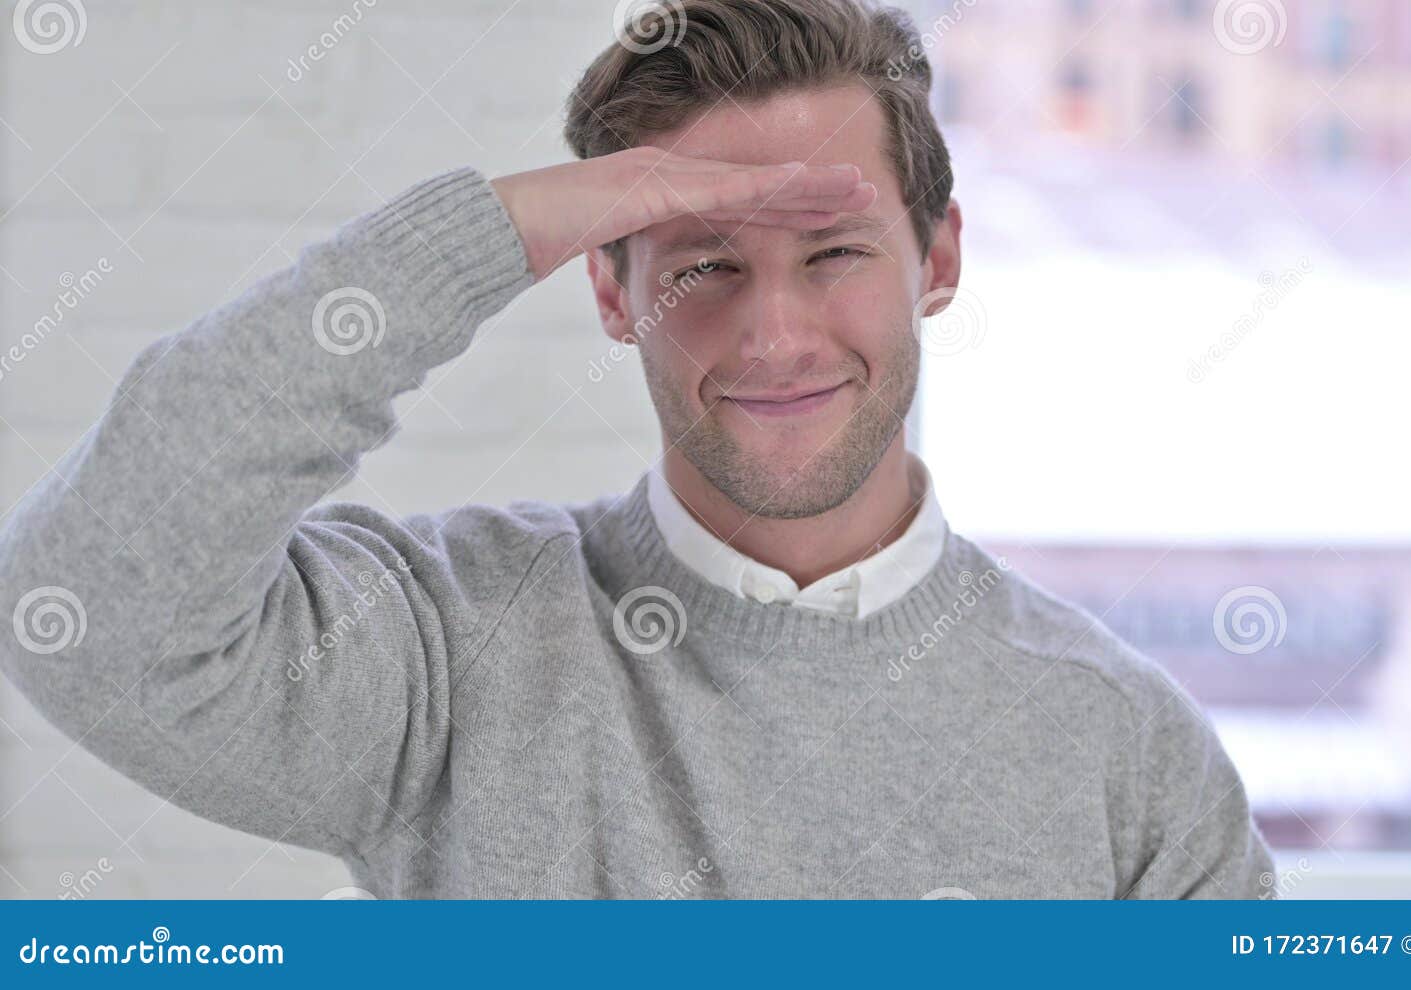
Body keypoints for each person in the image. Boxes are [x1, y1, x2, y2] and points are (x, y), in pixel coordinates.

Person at [0, 0, 1274, 898]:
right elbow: (89, 609)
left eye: (832, 254)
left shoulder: (1123, 751)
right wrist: (501, 232)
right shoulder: (444, 656)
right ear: (611, 294)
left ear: (936, 261)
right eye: (704, 264)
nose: (774, 335)